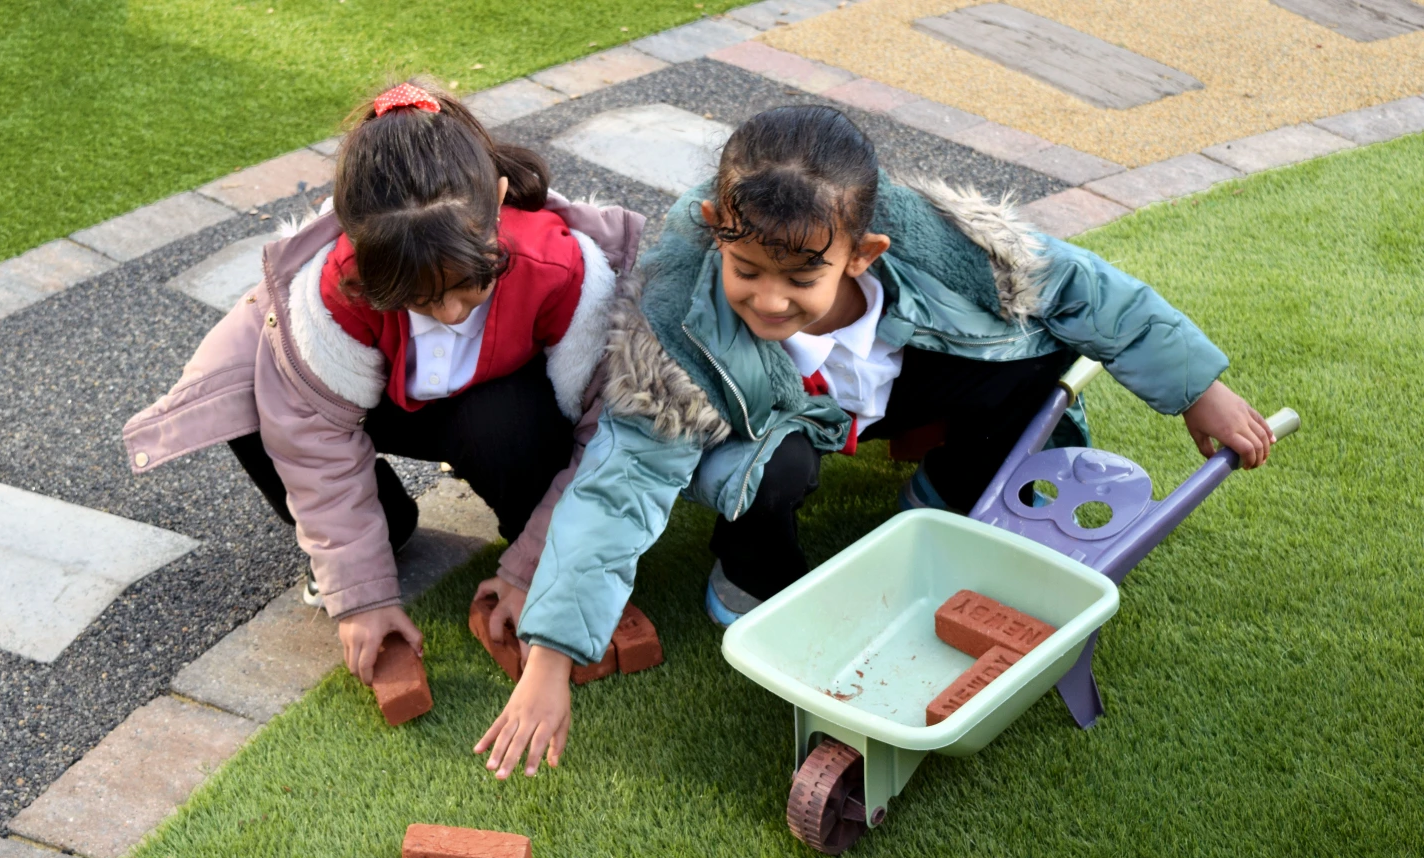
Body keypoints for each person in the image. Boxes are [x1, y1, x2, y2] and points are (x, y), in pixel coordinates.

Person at [476, 104, 1272, 779]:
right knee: (770, 469)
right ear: (717, 230)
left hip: (884, 389)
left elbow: (1083, 288)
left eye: (800, 279)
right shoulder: (681, 310)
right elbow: (622, 483)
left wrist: (1201, 390)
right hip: (766, 429)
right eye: (747, 270)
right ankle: (751, 577)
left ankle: (943, 491)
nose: (770, 301)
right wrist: (552, 659)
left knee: (1038, 347)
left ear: (864, 254)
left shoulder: (943, 245)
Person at [122, 79, 642, 693]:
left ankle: (527, 526)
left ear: (499, 203)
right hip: (370, 400)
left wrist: (540, 566)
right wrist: (360, 596)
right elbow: (313, 446)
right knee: (255, 403)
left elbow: (606, 437)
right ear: (357, 246)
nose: (450, 313)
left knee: (507, 427)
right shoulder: (333, 291)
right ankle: (387, 525)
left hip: (494, 395)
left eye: (470, 285)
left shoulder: (563, 270)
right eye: (418, 298)